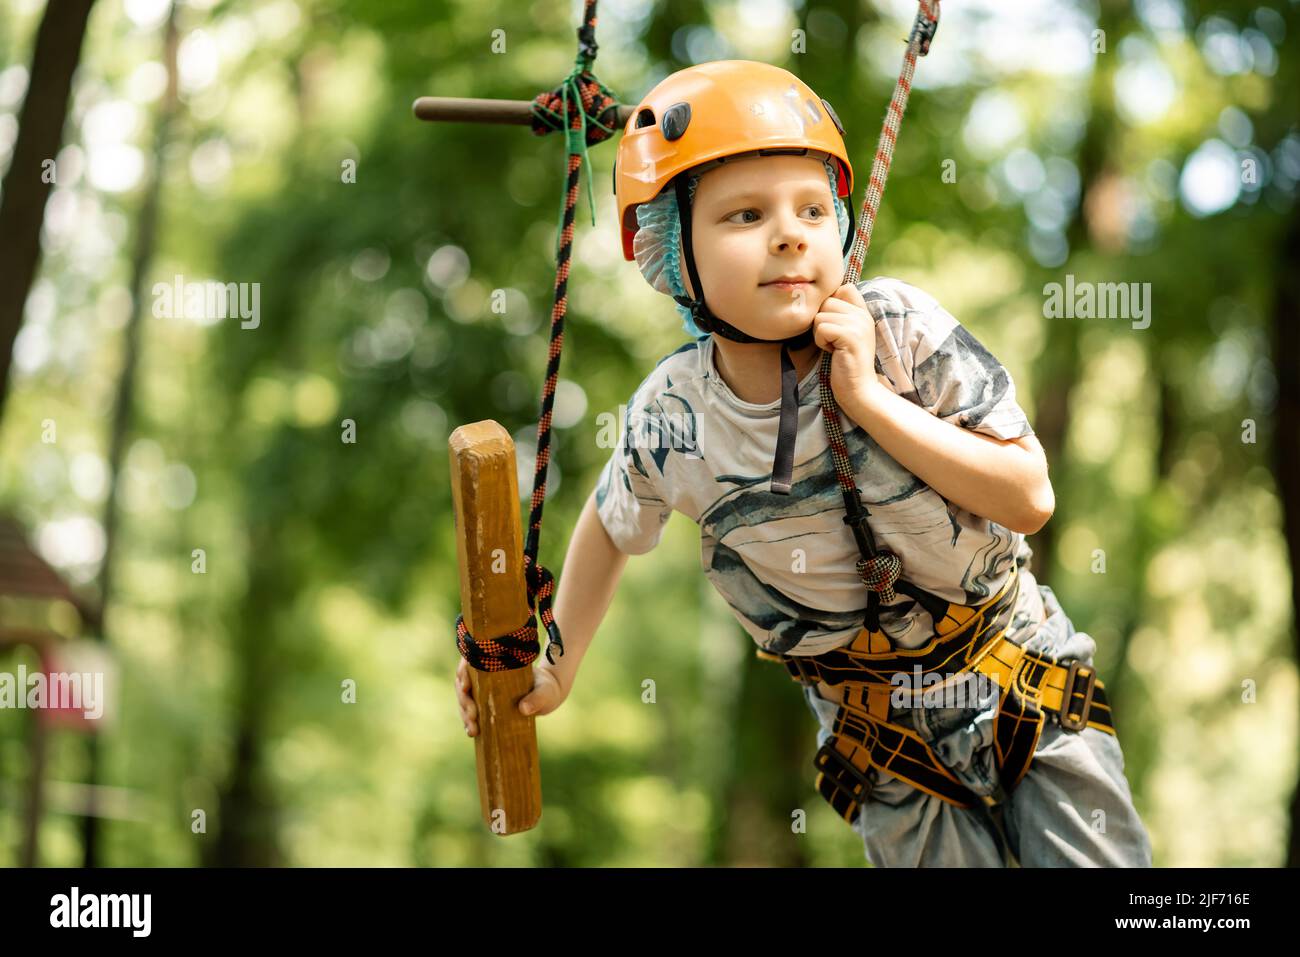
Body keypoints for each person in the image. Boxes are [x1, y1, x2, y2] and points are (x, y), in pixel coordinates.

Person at [456, 60, 1153, 868]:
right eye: (745, 214)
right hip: (884, 742)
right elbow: (612, 526)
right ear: (667, 251)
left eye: (813, 209)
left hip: (1020, 678)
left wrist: (870, 401)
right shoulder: (677, 417)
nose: (789, 233)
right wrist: (558, 666)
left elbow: (1028, 494)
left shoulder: (897, 330)